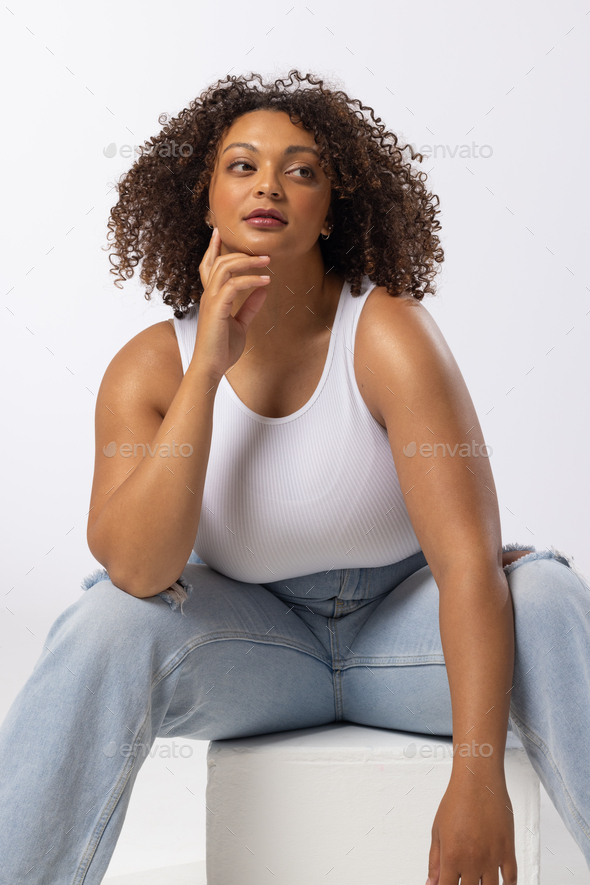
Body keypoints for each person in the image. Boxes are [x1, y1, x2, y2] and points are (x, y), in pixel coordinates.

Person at [0, 70, 588, 885]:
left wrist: (476, 776)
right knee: (105, 620)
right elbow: (139, 570)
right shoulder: (149, 370)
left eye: (302, 169)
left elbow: (465, 566)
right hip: (258, 653)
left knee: (550, 596)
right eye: (242, 166)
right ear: (203, 200)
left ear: (331, 207)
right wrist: (206, 369)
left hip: (405, 644)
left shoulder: (387, 333)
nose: (269, 184)